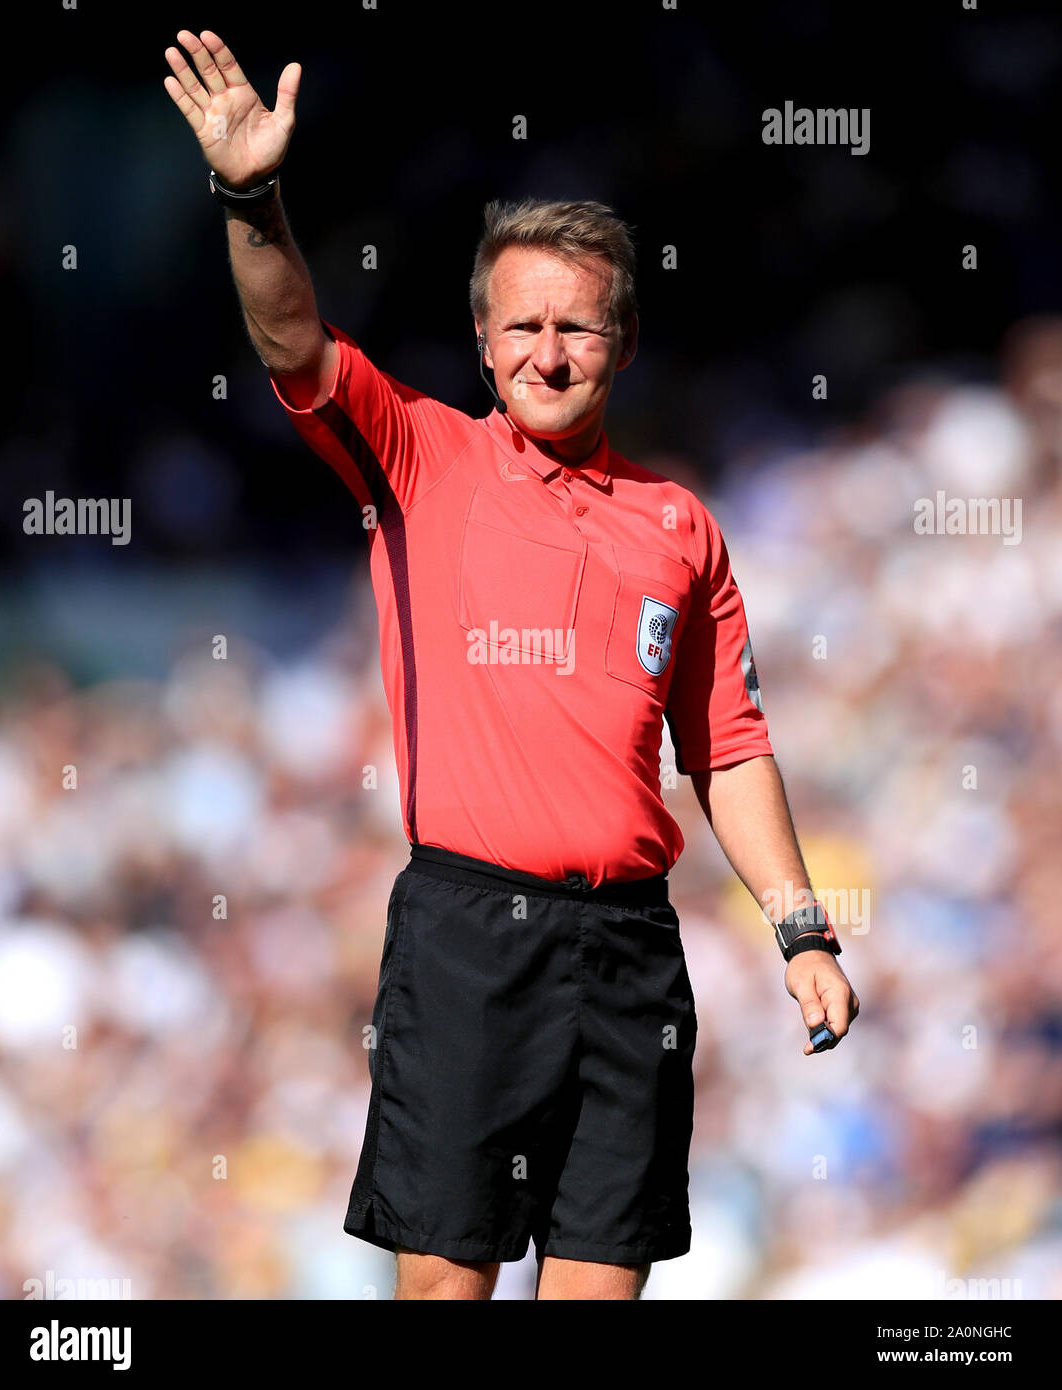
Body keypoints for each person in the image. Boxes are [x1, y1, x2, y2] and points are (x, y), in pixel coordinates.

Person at [164, 28, 860, 1301]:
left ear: (623, 344)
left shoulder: (678, 527)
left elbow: (729, 744)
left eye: (578, 328)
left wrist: (802, 927)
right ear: (482, 343)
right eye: (521, 326)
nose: (547, 352)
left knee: (599, 1290)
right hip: (469, 935)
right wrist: (248, 194)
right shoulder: (420, 459)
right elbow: (291, 343)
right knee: (444, 1286)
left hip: (629, 949)